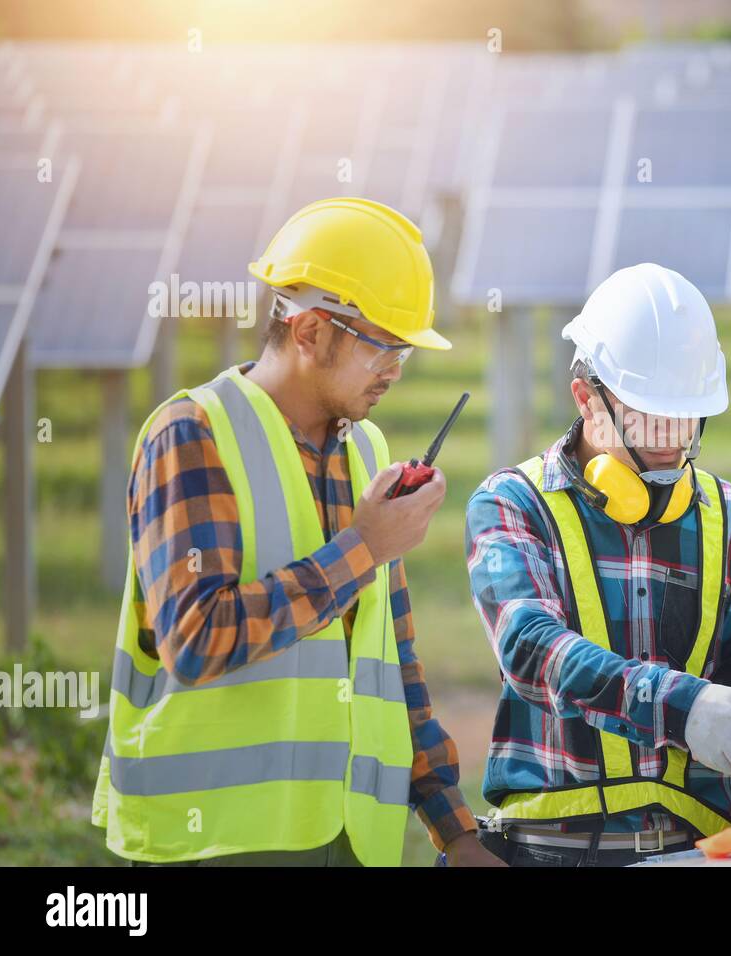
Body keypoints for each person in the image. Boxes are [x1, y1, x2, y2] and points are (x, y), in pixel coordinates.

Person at [92, 197, 500, 866]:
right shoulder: (193, 435)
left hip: (345, 842)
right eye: (383, 344)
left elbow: (391, 661)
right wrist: (363, 548)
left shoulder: (367, 452)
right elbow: (196, 639)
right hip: (214, 845)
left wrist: (455, 830)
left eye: (405, 347)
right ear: (309, 331)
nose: (396, 368)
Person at [463, 263, 731, 866]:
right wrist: (681, 707)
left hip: (698, 848)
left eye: (686, 419)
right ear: (586, 399)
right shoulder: (513, 503)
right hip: (553, 849)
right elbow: (532, 651)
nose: (671, 442)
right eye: (649, 418)